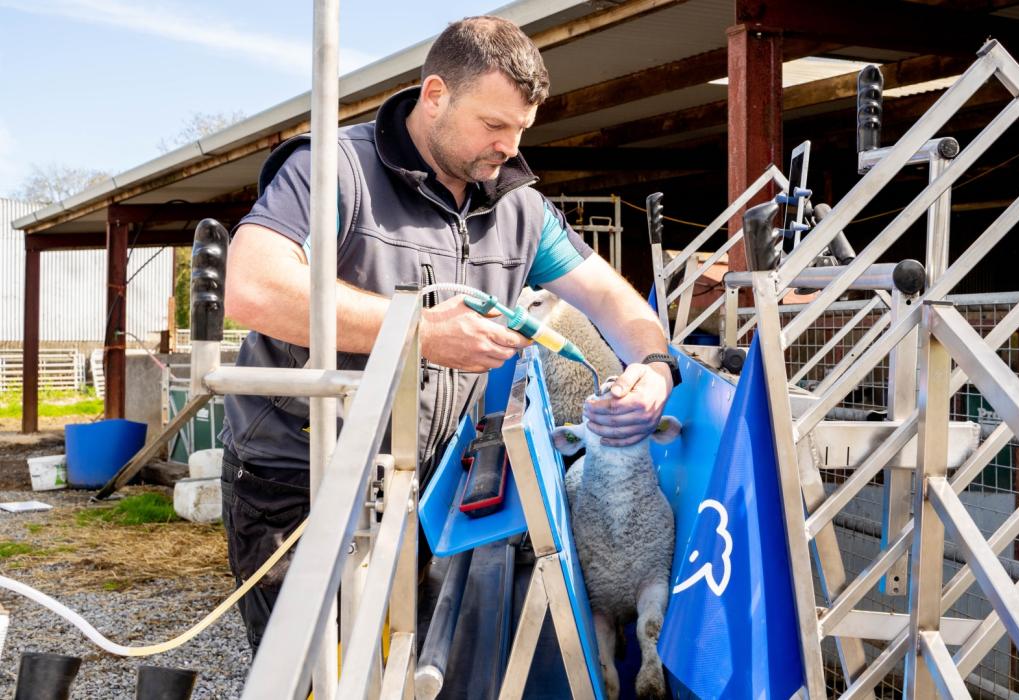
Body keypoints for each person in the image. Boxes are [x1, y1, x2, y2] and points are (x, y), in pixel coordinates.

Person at [218, 15, 676, 652]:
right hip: (302, 479)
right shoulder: (334, 169)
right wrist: (420, 331)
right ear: (435, 94)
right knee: (316, 669)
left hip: (427, 483)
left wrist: (653, 365)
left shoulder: (518, 206)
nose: (509, 147)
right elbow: (253, 288)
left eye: (520, 129)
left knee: (404, 658)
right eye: (493, 125)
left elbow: (610, 298)